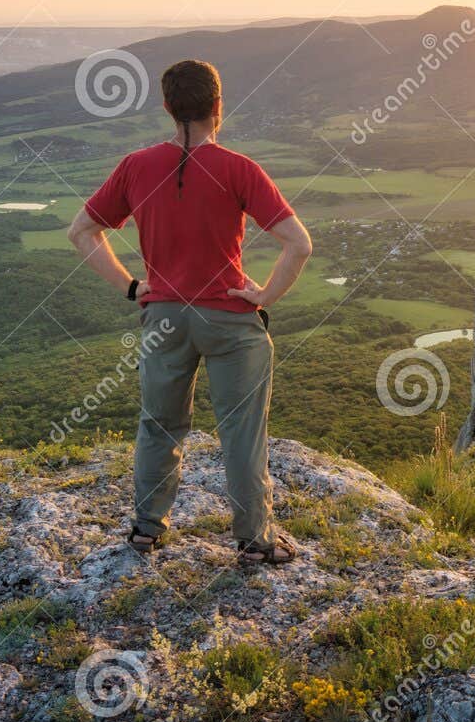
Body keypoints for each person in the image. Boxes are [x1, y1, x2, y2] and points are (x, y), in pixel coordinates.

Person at [67, 59, 312, 564]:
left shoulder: (136, 166)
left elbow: (81, 232)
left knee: (159, 424)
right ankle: (254, 540)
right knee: (242, 432)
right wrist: (265, 295)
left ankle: (146, 530)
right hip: (228, 318)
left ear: (166, 107)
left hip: (164, 318)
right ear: (218, 108)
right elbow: (298, 244)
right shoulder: (239, 169)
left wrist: (132, 287)